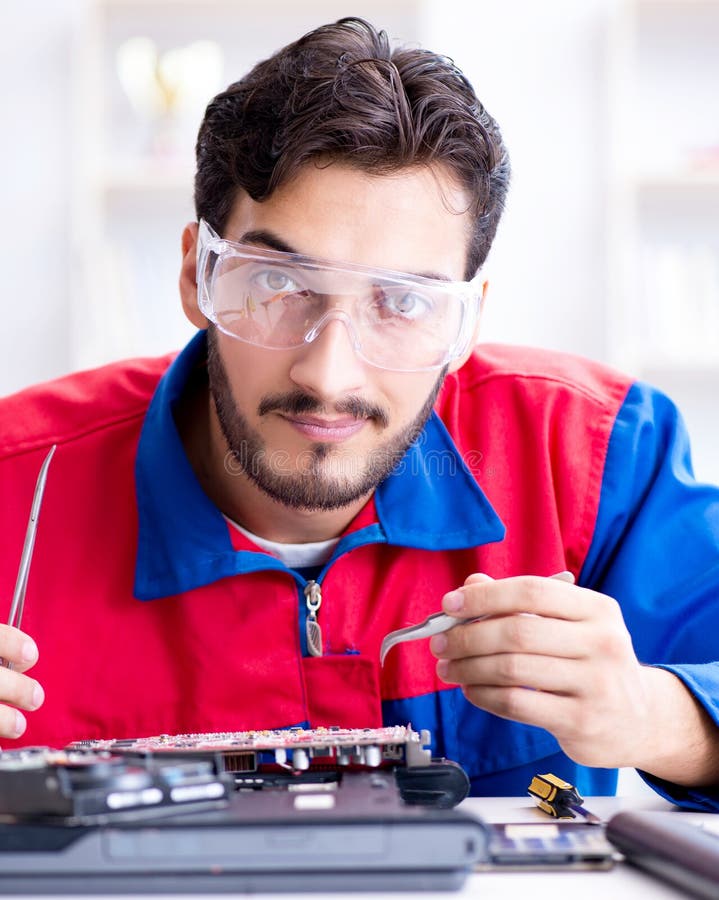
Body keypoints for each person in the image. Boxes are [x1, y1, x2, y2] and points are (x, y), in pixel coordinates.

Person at [1, 17, 718, 806]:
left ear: (466, 320)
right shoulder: (14, 479)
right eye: (278, 285)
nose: (328, 372)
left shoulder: (599, 453)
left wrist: (649, 715)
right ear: (196, 277)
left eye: (402, 301)